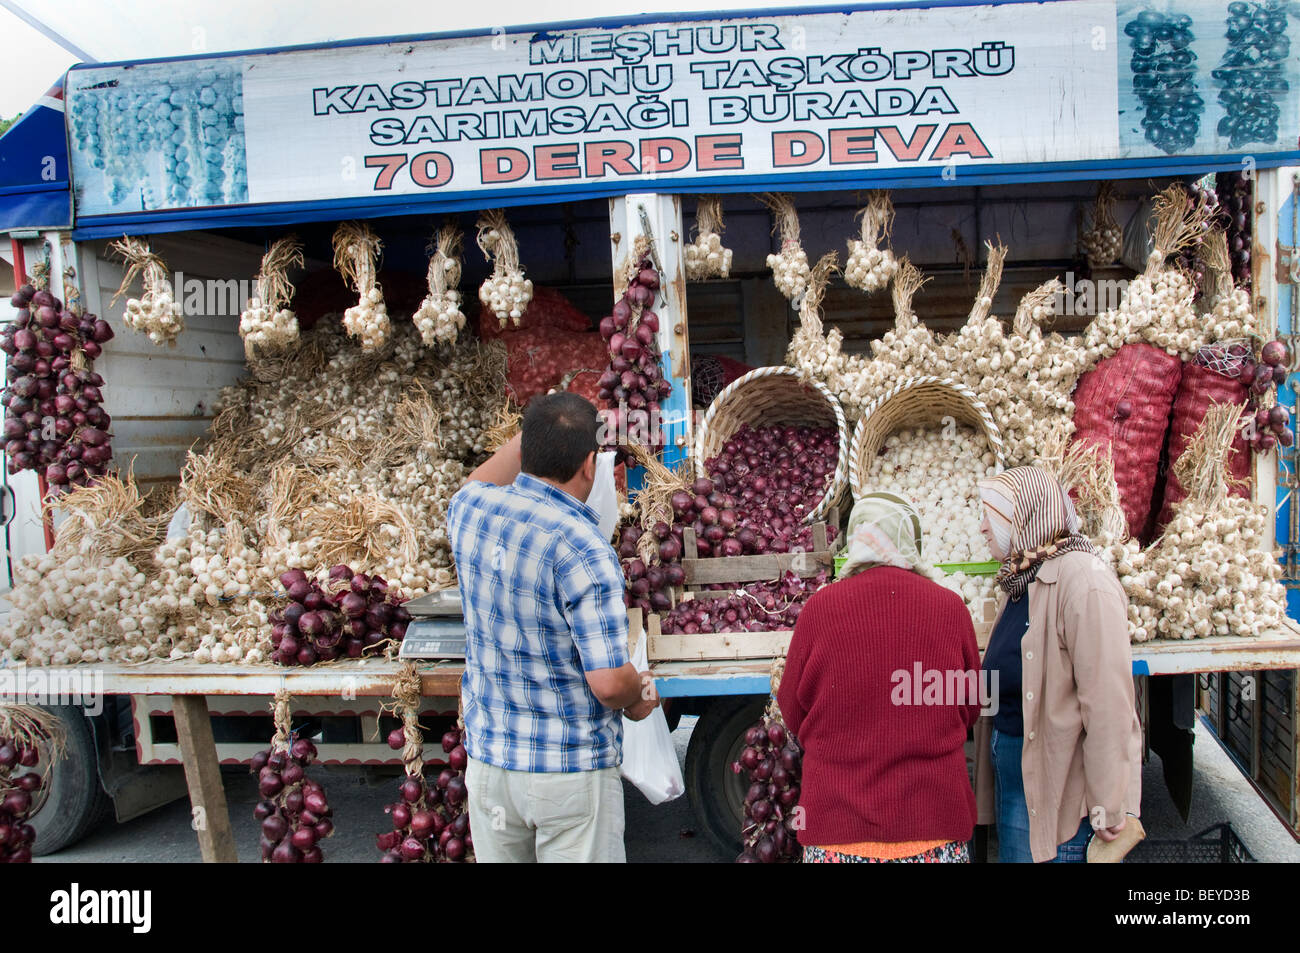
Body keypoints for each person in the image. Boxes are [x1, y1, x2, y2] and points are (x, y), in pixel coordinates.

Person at [447, 393, 657, 863]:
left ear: (528, 449)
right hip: (568, 774)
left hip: (491, 767)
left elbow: (483, 477)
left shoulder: (471, 512)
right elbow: (607, 684)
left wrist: (540, 434)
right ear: (590, 465)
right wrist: (639, 693)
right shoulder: (583, 547)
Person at [776, 492, 981, 863]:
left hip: (838, 832)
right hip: (933, 831)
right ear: (911, 543)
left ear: (856, 542)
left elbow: (792, 712)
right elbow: (969, 709)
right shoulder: (950, 608)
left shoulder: (820, 610)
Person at [974, 466, 1142, 863]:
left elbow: (1109, 704)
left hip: (1060, 783)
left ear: (1026, 516)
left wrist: (1108, 803)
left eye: (991, 516)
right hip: (1020, 773)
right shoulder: (1023, 579)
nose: (982, 528)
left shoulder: (1084, 581)